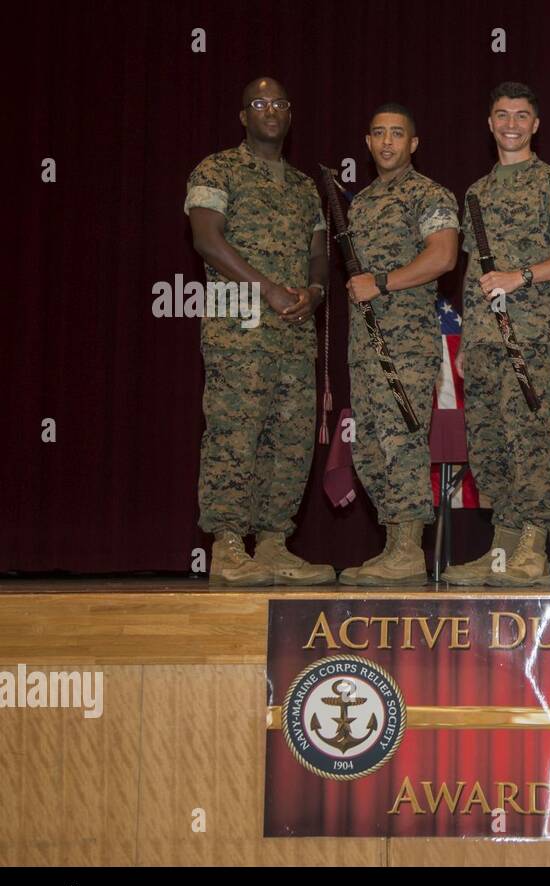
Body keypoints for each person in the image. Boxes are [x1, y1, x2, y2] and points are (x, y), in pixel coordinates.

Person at [185, 77, 334, 586]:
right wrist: (267, 287)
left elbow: (319, 254)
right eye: (259, 104)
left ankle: (272, 544)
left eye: (279, 104)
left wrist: (313, 293)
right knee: (235, 432)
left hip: (293, 327)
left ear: (290, 114)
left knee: (290, 439)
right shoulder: (218, 168)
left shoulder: (302, 186)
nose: (270, 111)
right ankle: (228, 547)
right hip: (240, 320)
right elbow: (207, 239)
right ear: (244, 116)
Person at [442, 82, 550, 587]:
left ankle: (532, 547)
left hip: (533, 340)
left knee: (531, 444)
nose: (511, 124)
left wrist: (521, 275)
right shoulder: (477, 193)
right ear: (489, 123)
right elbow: (467, 273)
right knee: (489, 447)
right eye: (502, 114)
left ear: (535, 124)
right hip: (483, 343)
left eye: (521, 115)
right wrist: (465, 340)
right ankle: (501, 551)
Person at [338, 103, 459, 586]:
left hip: (405, 344)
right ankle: (393, 545)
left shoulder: (428, 195)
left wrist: (383, 282)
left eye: (397, 134)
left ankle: (409, 548)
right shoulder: (361, 203)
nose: (387, 142)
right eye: (378, 133)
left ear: (413, 143)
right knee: (368, 447)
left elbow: (443, 255)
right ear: (368, 142)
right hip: (364, 348)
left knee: (401, 442)